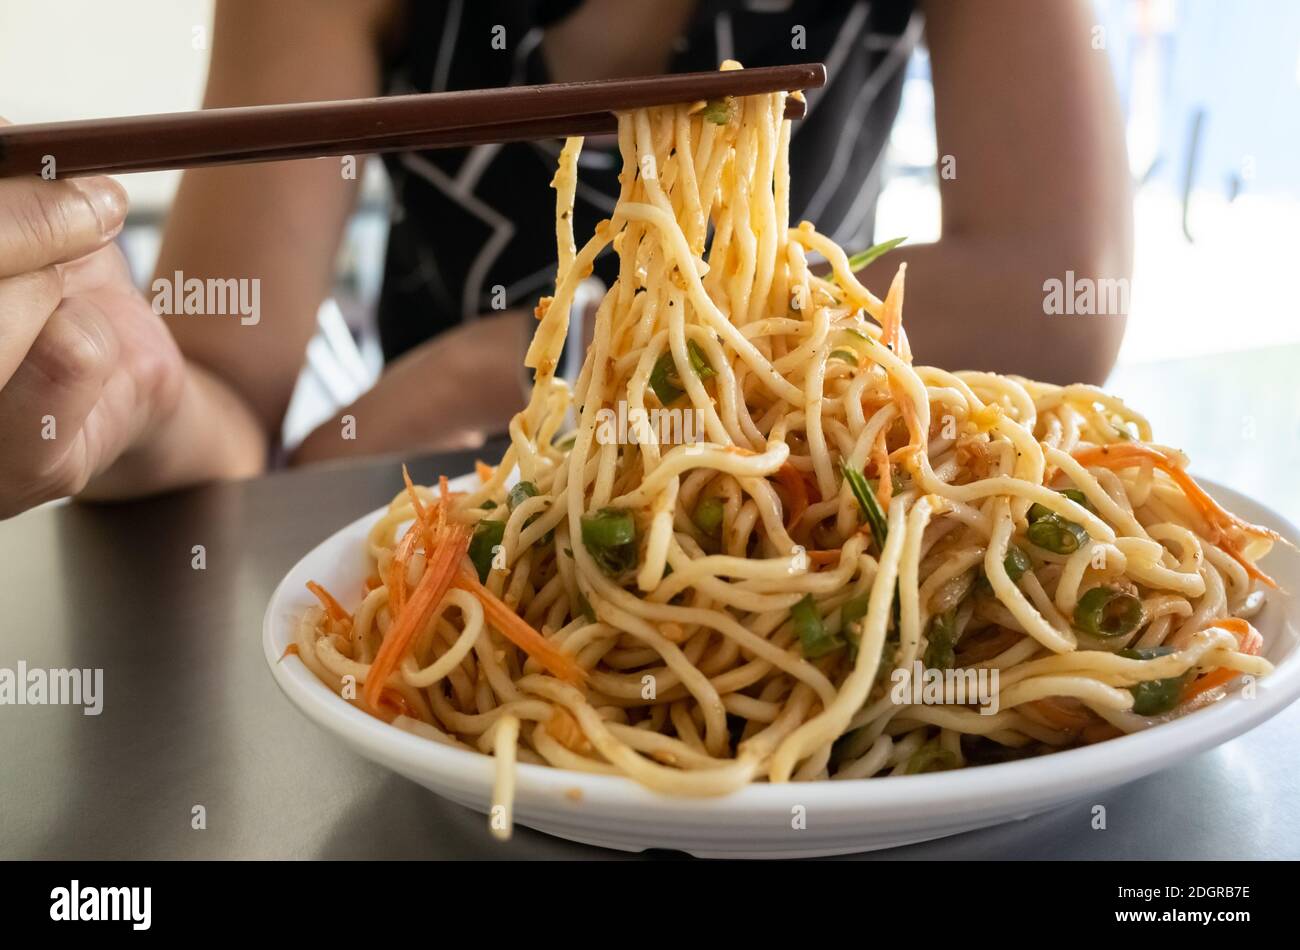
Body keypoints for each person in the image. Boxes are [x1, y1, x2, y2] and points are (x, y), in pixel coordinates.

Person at [0, 0, 1131, 520]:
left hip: (813, 491)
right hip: (464, 529)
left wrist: (552, 348)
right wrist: (116, 376)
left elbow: (1062, 287)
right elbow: (223, 407)